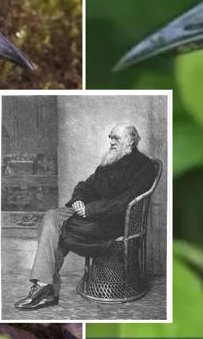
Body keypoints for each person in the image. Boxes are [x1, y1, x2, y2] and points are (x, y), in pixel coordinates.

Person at [14, 123, 157, 310]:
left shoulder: (143, 166)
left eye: (116, 138)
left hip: (113, 222)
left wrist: (90, 210)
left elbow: (125, 202)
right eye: (110, 137)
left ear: (130, 141)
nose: (111, 141)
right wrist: (79, 200)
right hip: (89, 214)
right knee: (51, 216)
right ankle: (45, 286)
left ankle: (45, 288)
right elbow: (85, 184)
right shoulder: (112, 159)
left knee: (54, 229)